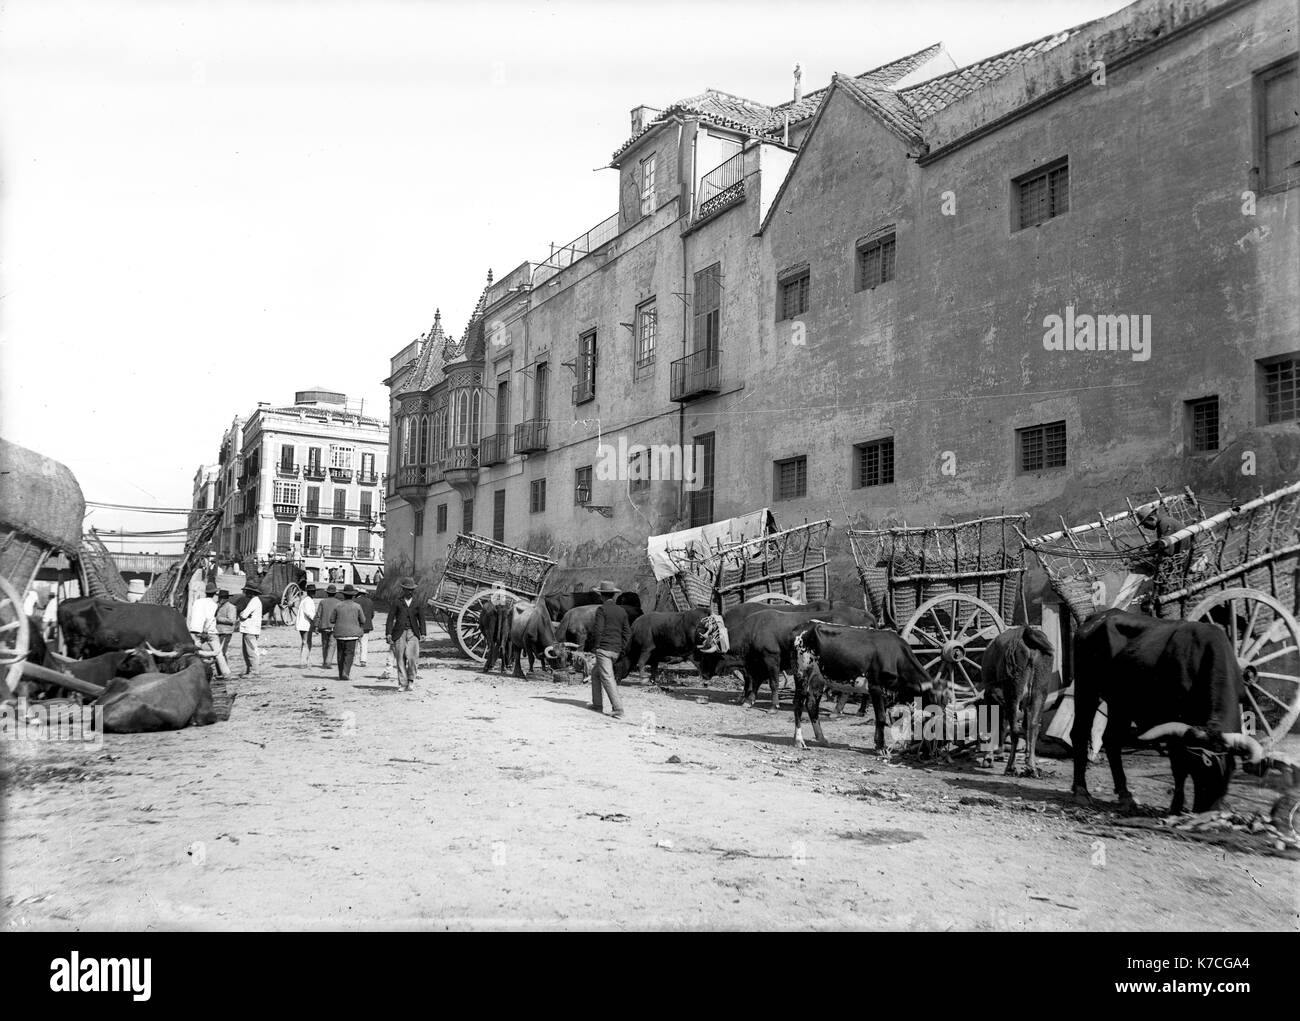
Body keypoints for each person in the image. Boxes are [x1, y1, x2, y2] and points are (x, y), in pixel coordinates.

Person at [588, 580, 629, 719]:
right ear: (613, 595)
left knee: (607, 678)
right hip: (616, 650)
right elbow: (626, 633)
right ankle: (597, 705)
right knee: (595, 674)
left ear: (601, 596)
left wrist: (596, 647)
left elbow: (598, 631)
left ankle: (618, 709)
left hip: (604, 649)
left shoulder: (602, 610)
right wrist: (621, 650)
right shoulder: (622, 611)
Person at [386, 577, 425, 692]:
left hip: (413, 633)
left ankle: (411, 681)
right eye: (408, 589)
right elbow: (390, 618)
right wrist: (388, 633)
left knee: (413, 658)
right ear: (403, 590)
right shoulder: (397, 601)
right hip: (399, 633)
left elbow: (421, 618)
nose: (410, 592)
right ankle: (402, 683)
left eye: (412, 589)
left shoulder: (417, 602)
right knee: (400, 658)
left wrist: (423, 633)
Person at [187, 581, 230, 678]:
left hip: (195, 630)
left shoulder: (197, 602)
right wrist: (205, 630)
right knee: (218, 653)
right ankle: (225, 673)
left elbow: (192, 616)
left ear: (205, 592)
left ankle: (194, 672)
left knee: (195, 652)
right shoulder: (213, 604)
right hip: (209, 631)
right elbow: (209, 618)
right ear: (215, 593)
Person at [328, 584, 366, 682]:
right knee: (349, 654)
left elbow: (332, 620)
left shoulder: (338, 606)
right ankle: (346, 672)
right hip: (352, 634)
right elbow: (363, 620)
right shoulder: (357, 606)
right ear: (353, 595)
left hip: (339, 633)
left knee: (340, 654)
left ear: (343, 595)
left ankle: (341, 674)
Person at [238, 583, 263, 677]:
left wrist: (241, 614)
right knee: (248, 651)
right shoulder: (255, 601)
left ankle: (254, 671)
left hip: (250, 629)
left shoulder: (254, 601)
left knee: (250, 651)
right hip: (251, 629)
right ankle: (250, 670)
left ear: (251, 592)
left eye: (247, 591)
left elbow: (243, 615)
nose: (245, 593)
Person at [314, 584, 339, 668]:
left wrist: (316, 626)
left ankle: (325, 661)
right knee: (332, 644)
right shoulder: (339, 603)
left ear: (327, 593)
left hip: (324, 626)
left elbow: (318, 615)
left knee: (324, 644)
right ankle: (328, 662)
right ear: (335, 593)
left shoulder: (322, 602)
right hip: (334, 626)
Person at [295, 583, 318, 668]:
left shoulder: (305, 600)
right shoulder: (308, 601)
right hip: (306, 625)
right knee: (306, 643)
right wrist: (316, 620)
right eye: (313, 592)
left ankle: (305, 660)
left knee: (305, 642)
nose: (313, 593)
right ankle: (303, 662)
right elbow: (309, 613)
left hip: (303, 624)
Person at [215, 589, 238, 658]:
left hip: (225, 633)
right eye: (220, 597)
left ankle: (224, 668)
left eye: (223, 597)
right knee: (217, 652)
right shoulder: (218, 606)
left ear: (226, 598)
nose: (221, 599)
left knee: (222, 652)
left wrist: (218, 619)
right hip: (218, 632)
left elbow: (231, 620)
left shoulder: (231, 607)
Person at [356, 588, 375, 668]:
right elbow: (372, 614)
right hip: (366, 625)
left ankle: (353, 659)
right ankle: (363, 660)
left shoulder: (355, 601)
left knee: (355, 643)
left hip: (356, 625)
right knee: (364, 643)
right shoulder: (370, 601)